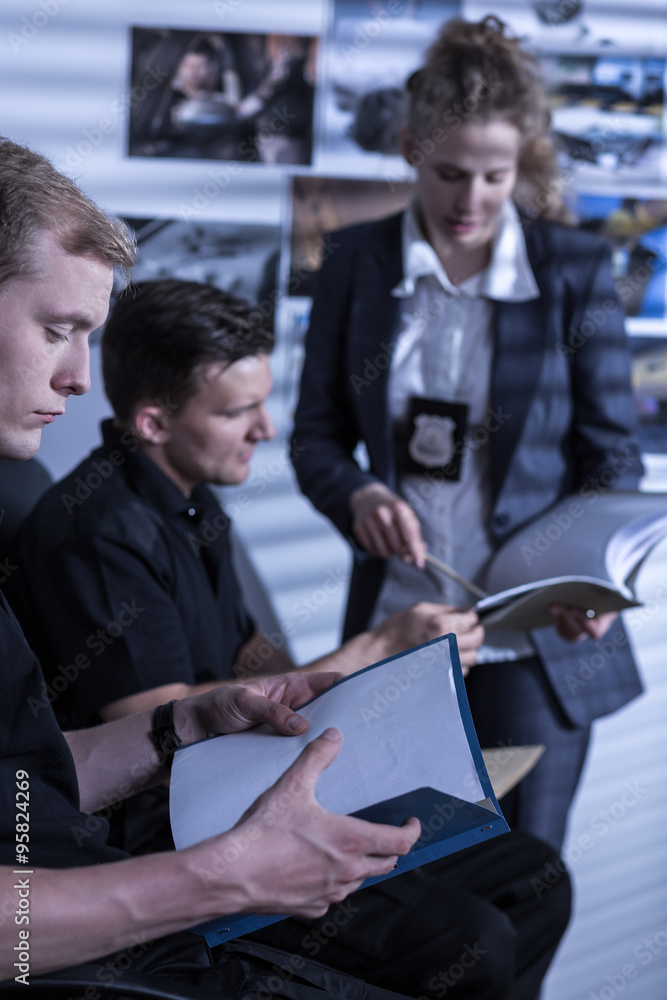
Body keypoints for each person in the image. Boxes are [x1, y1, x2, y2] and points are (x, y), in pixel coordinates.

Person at [5, 268, 570, 999]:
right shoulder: (100, 533)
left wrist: (380, 677)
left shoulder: (193, 502)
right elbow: (155, 719)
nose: (265, 430)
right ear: (153, 423)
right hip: (174, 824)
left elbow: (253, 657)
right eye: (238, 411)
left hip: (248, 776)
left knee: (534, 878)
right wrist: (378, 646)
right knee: (472, 940)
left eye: (264, 404)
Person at [0, 136, 429, 998]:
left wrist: (183, 726)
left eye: (88, 338)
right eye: (56, 330)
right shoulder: (95, 528)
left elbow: (24, 790)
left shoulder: (199, 514)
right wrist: (223, 879)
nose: (79, 378)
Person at [291, 16, 644, 853]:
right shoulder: (353, 262)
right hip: (398, 630)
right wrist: (358, 493)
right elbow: (313, 437)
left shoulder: (572, 270)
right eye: (449, 173)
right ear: (409, 148)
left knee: (522, 877)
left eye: (495, 176)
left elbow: (611, 458)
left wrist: (589, 582)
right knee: (394, 877)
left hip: (534, 638)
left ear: (523, 162)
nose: (470, 201)